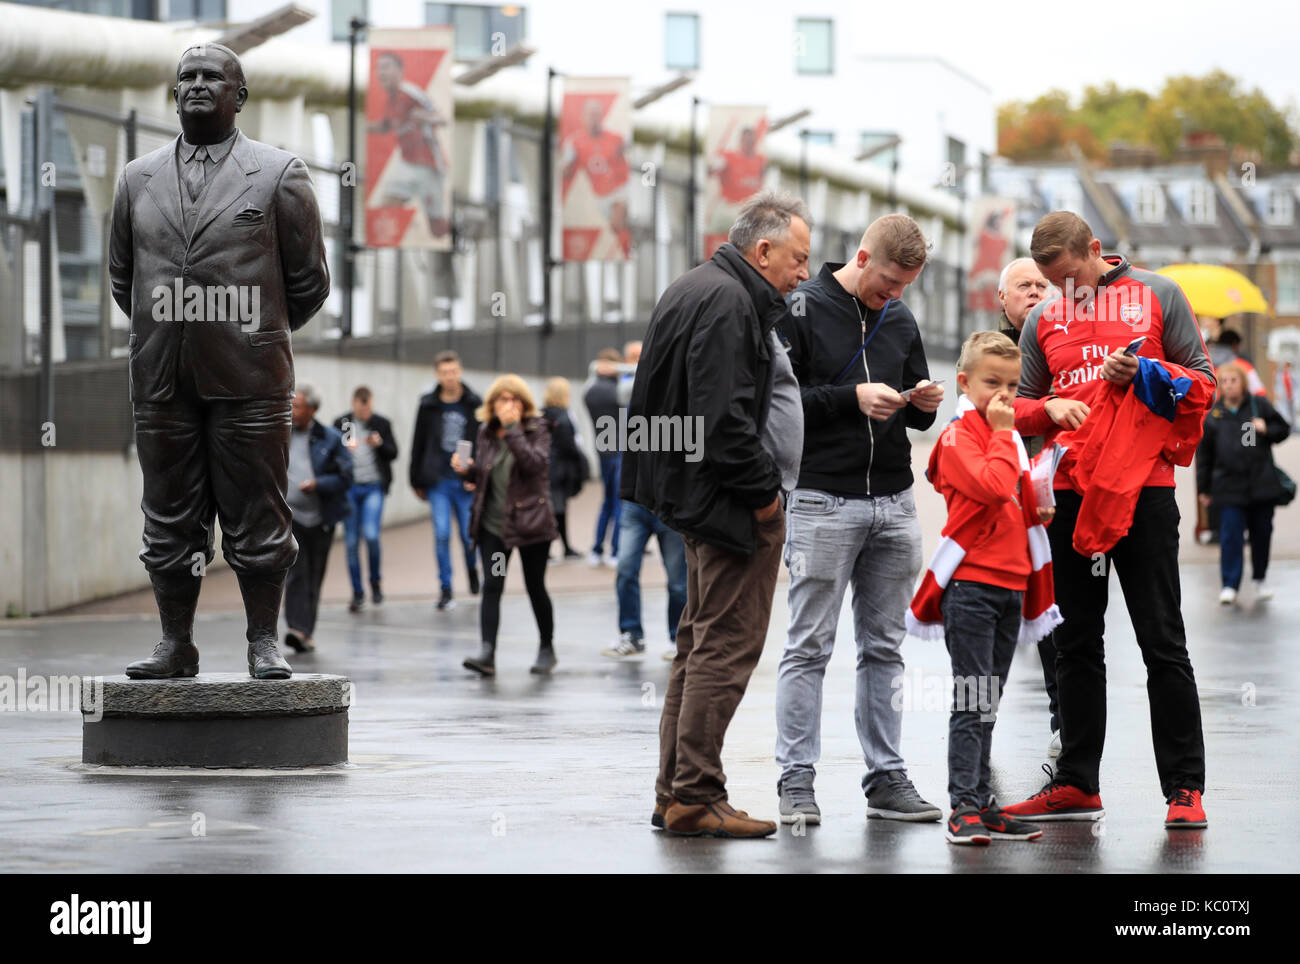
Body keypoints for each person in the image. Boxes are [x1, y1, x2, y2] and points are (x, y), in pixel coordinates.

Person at [110, 43, 330, 681]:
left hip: (251, 380)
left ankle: (264, 642)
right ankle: (175, 643)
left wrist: (251, 335)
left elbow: (309, 283)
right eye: (187, 77)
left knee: (259, 513)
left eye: (213, 77)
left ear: (240, 95)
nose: (198, 85)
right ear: (173, 94)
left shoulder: (279, 173)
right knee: (168, 515)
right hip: (161, 378)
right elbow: (125, 281)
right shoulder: (134, 179)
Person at [1002, 211, 1215, 829]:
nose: (1061, 293)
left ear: (1097, 251)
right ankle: (1076, 781)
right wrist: (1050, 409)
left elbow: (1204, 382)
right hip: (1068, 490)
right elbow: (1015, 409)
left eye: (1070, 277)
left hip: (1141, 488)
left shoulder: (1159, 294)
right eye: (1048, 282)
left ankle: (1184, 790)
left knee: (1162, 641)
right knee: (1073, 644)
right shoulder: (1043, 319)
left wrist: (1148, 372)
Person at [622, 190, 810, 838]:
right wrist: (765, 499)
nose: (804, 272)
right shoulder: (731, 301)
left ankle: (676, 792)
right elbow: (722, 421)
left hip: (693, 496)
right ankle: (696, 796)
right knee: (722, 649)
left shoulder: (696, 285)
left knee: (696, 647)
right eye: (798, 258)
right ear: (764, 250)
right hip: (728, 503)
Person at [773, 213, 945, 826]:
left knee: (886, 648)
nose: (894, 296)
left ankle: (887, 776)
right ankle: (796, 780)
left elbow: (915, 419)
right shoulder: (799, 309)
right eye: (889, 282)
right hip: (821, 498)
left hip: (895, 502)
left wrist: (923, 402)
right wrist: (850, 398)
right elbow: (782, 404)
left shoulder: (900, 317)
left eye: (906, 286)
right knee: (809, 645)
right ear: (863, 257)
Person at [907, 331, 1059, 844]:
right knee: (972, 698)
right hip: (971, 586)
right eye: (992, 383)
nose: (1005, 396)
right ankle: (963, 805)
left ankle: (984, 800)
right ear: (964, 382)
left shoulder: (1004, 434)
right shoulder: (959, 436)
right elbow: (992, 487)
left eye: (1013, 386)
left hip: (1010, 581)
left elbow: (1009, 494)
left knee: (988, 699)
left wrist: (1036, 503)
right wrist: (1000, 432)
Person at [996, 256, 1059, 756]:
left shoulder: (1066, 346)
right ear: (1002, 298)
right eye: (1024, 285)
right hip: (999, 511)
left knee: (1056, 622)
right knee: (992, 626)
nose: (1035, 292)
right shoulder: (987, 355)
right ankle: (977, 732)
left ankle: (1065, 728)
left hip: (1055, 502)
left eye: (1043, 284)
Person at [457, 376, 558, 677]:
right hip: (495, 528)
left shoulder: (537, 429)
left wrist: (513, 430)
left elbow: (534, 465)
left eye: (514, 399)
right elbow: (488, 472)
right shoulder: (486, 432)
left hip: (530, 526)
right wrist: (469, 469)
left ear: (524, 404)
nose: (508, 404)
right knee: (493, 585)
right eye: (501, 399)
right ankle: (487, 653)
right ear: (492, 404)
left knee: (534, 585)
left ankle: (546, 648)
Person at [1197, 361, 1291, 604]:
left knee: (1261, 535)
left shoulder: (1258, 406)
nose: (1228, 386)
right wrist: (1204, 489)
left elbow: (1283, 429)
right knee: (1230, 537)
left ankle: (1259, 579)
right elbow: (1205, 457)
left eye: (1233, 381)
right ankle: (1229, 584)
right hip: (1228, 488)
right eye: (1224, 381)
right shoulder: (1214, 416)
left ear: (1243, 383)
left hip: (1261, 485)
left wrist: (1266, 428)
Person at [283, 384, 353, 654]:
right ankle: (295, 628)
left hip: (322, 517)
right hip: (291, 515)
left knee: (315, 574)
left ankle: (306, 632)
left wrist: (318, 484)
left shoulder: (332, 438)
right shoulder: (280, 435)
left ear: (312, 409)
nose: (291, 411)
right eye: (291, 405)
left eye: (297, 406)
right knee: (296, 571)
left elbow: (346, 477)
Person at [411, 351, 483, 611]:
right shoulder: (428, 404)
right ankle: (445, 587)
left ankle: (473, 570)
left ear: (460, 371)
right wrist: (415, 478)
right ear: (437, 375)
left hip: (465, 481)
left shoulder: (474, 403)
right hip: (437, 480)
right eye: (444, 373)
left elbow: (483, 443)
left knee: (468, 535)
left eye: (453, 372)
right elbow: (417, 441)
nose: (450, 377)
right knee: (441, 534)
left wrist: (477, 473)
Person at [369, 51, 450, 238]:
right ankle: (399, 233)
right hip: (407, 163)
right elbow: (386, 125)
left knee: (437, 230)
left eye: (386, 67)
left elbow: (441, 118)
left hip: (429, 166)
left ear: (400, 71)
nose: (381, 72)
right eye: (379, 68)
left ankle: (460, 228)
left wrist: (425, 117)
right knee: (387, 204)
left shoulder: (411, 94)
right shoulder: (391, 99)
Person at [333, 387, 398, 612]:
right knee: (351, 542)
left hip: (373, 487)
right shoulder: (341, 423)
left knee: (371, 535)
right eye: (360, 408)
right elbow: (331, 456)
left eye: (367, 407)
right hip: (350, 489)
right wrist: (345, 450)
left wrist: (379, 444)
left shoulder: (381, 423)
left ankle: (375, 582)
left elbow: (393, 452)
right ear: (353, 404)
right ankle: (357, 592)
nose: (364, 412)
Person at [584, 348, 624, 568]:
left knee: (607, 502)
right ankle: (615, 551)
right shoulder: (616, 391)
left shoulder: (591, 390)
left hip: (604, 450)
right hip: (618, 451)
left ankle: (597, 548)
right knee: (619, 503)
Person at [543, 377, 586, 560]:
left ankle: (558, 548)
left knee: (550, 510)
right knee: (557, 510)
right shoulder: (564, 417)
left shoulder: (541, 415)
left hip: (545, 469)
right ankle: (560, 548)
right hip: (559, 471)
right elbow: (570, 445)